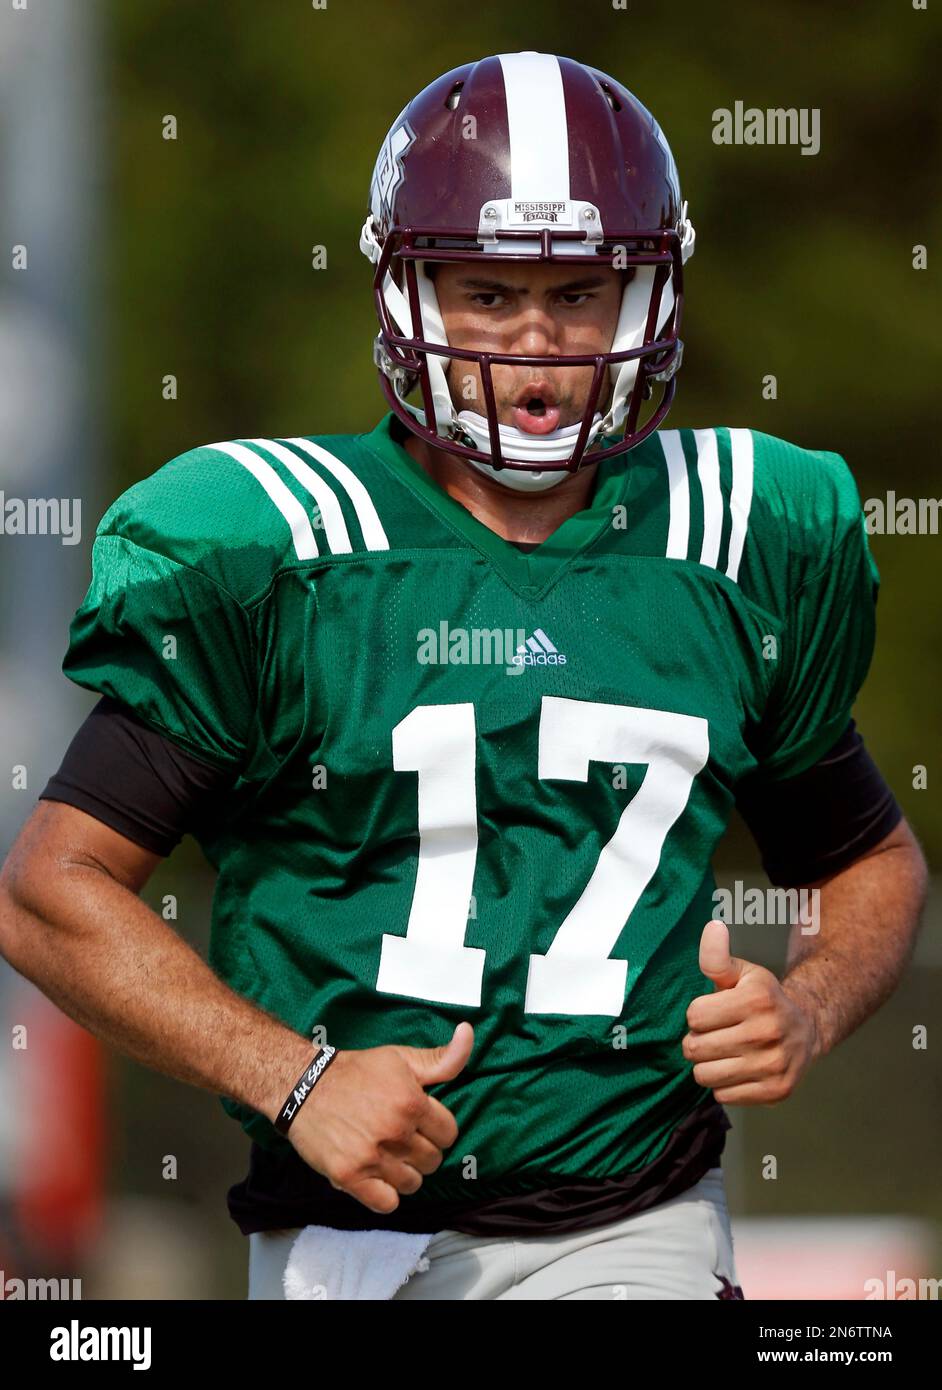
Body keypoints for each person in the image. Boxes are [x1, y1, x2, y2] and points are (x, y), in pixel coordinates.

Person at [0, 51, 926, 1301]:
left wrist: (810, 1006)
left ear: (648, 296)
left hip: (629, 1222)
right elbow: (53, 889)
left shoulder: (735, 536)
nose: (537, 347)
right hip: (337, 1240)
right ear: (404, 292)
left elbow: (871, 859)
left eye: (581, 294)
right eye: (487, 294)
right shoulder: (276, 548)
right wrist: (295, 1075)